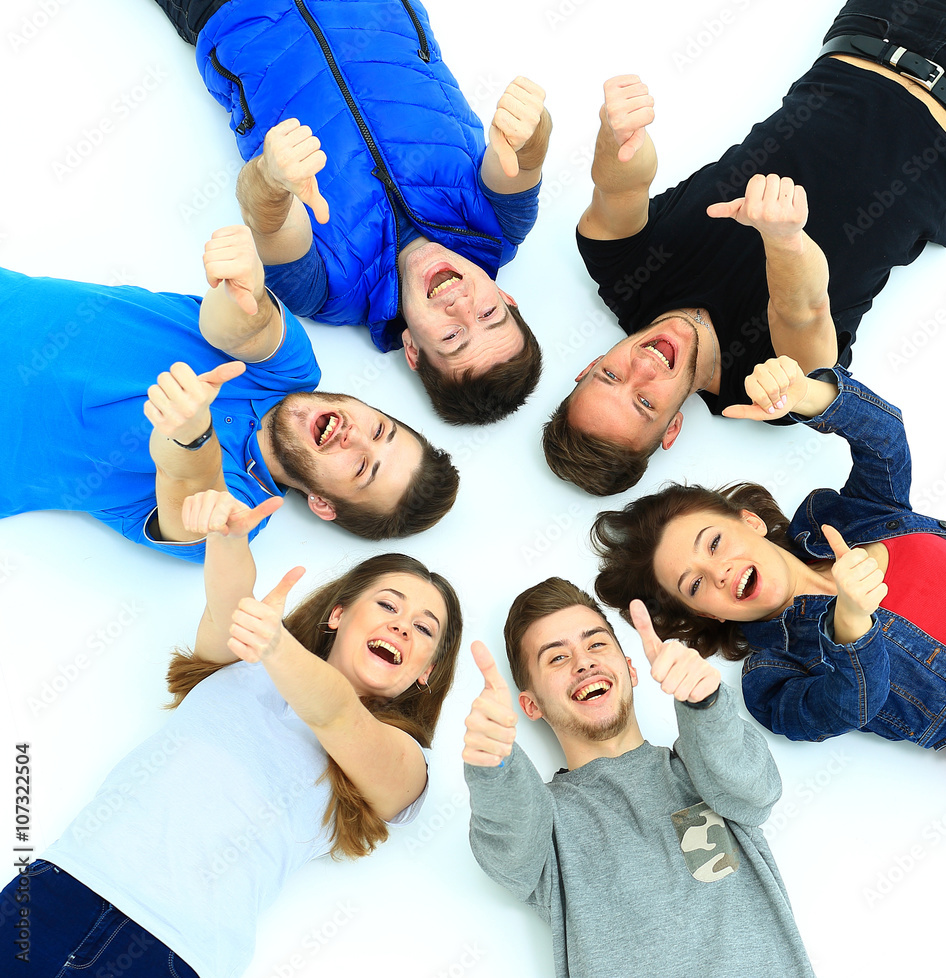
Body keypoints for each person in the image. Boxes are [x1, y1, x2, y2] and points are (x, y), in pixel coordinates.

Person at [0, 489, 462, 976]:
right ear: (339, 615)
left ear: (427, 671)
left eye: (425, 629)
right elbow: (227, 606)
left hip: (175, 953)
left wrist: (277, 645)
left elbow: (337, 714)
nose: (402, 627)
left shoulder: (408, 761)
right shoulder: (247, 662)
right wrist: (227, 539)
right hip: (61, 886)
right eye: (388, 605)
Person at [544, 0, 946, 494]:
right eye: (645, 403)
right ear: (672, 428)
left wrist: (618, 136)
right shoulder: (770, 390)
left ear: (588, 367)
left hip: (878, 28)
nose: (643, 368)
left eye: (610, 377)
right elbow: (803, 315)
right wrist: (782, 241)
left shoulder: (623, 274)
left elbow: (619, 190)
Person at [591, 356, 946, 801]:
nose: (718, 570)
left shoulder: (852, 520)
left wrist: (804, 396)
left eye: (713, 543)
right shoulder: (770, 679)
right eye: (694, 585)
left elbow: (885, 441)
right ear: (705, 612)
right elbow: (850, 704)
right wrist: (851, 622)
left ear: (750, 522)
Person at [153, 0, 550, 425]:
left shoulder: (327, 293)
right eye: (489, 315)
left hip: (229, 12)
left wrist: (271, 178)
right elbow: (522, 161)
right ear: (506, 298)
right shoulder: (498, 226)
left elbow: (264, 217)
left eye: (453, 337)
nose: (461, 306)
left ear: (412, 348)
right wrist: (531, 126)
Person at [0, 225, 459, 561]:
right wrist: (246, 287)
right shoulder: (292, 369)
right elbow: (236, 323)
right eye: (379, 429)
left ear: (323, 503)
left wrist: (193, 440)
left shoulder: (240, 510)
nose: (354, 438)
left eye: (361, 467)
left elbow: (189, 508)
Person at [461, 578, 815, 978]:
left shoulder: (700, 768)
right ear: (530, 704)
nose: (583, 662)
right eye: (556, 658)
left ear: (630, 670)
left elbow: (757, 789)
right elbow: (507, 844)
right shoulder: (548, 824)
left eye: (596, 644)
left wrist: (706, 701)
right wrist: (492, 764)